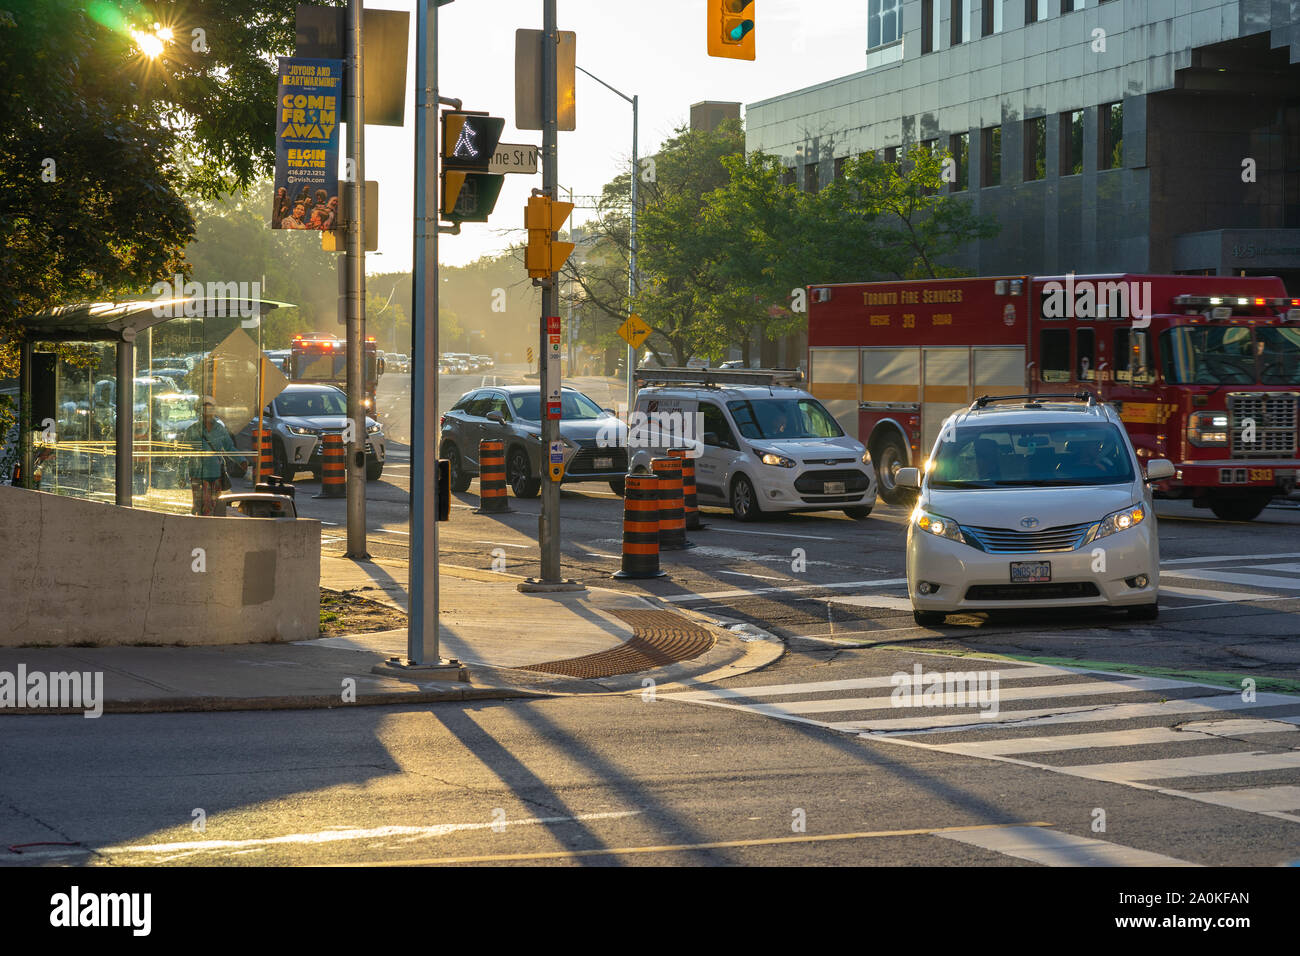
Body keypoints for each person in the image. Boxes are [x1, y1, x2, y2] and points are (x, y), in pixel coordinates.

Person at [183, 397, 249, 516]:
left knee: (213, 507)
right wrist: (180, 476)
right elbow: (184, 454)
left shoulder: (220, 429)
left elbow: (229, 448)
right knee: (199, 508)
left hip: (215, 475)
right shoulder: (192, 430)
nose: (208, 412)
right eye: (205, 408)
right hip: (198, 475)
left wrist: (241, 460)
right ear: (200, 411)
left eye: (210, 408)